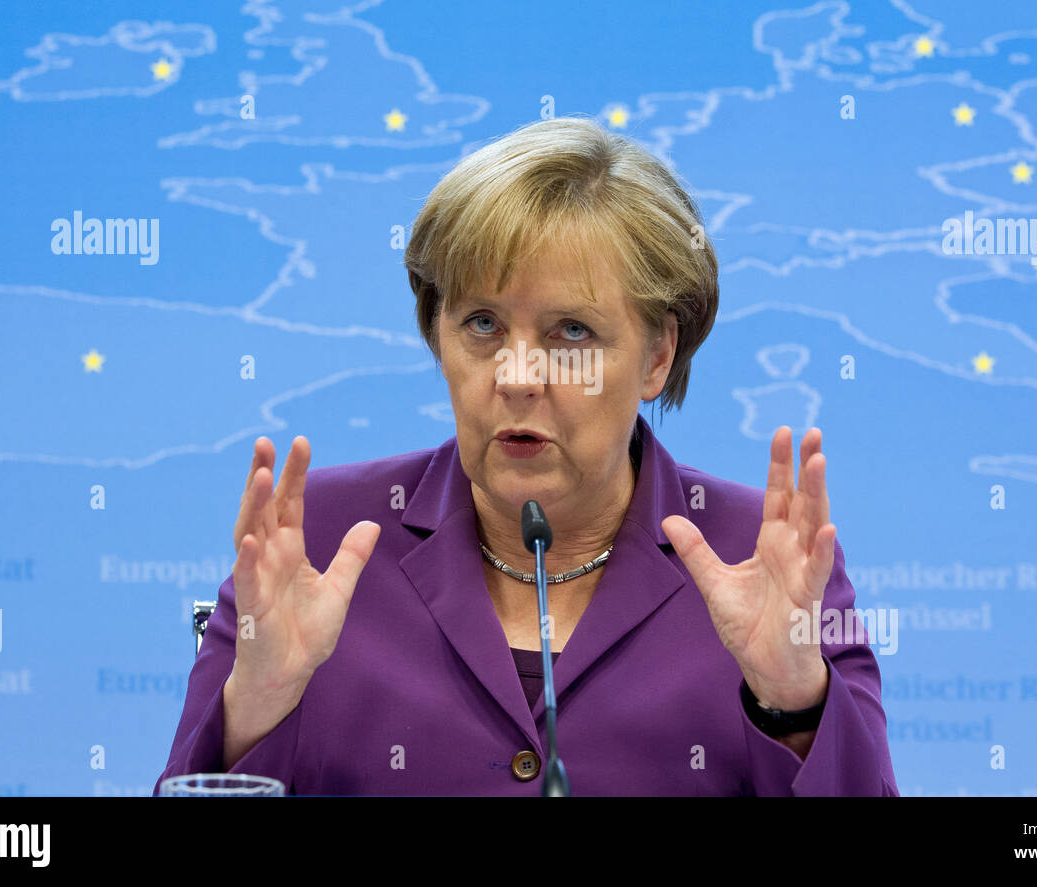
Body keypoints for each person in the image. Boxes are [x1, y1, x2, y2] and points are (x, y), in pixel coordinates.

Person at [154, 117, 898, 795]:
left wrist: (789, 701)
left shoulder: (763, 559)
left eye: (571, 332)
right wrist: (259, 702)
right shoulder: (318, 541)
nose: (516, 377)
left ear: (657, 355)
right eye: (481, 323)